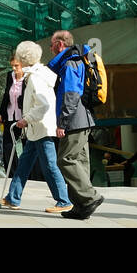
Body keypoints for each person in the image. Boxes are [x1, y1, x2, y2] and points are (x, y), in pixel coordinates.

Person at [0, 40, 72, 213]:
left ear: (23, 58)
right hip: (38, 129)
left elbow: (43, 105)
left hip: (40, 128)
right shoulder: (41, 73)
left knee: (50, 165)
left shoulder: (35, 78)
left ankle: (64, 200)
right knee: (24, 164)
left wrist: (26, 119)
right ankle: (13, 198)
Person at [48, 30, 103, 220]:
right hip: (84, 119)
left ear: (60, 44)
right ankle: (81, 207)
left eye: (52, 44)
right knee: (80, 162)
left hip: (74, 121)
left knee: (65, 160)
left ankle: (89, 197)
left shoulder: (70, 62)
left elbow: (71, 94)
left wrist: (62, 122)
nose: (50, 48)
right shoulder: (79, 59)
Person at [0, 54, 27, 173]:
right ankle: (14, 172)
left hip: (24, 117)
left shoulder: (28, 77)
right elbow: (6, 94)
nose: (14, 68)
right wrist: (1, 113)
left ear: (23, 65)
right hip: (9, 116)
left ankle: (27, 173)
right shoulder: (10, 76)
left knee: (26, 145)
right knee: (8, 145)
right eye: (12, 66)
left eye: (16, 65)